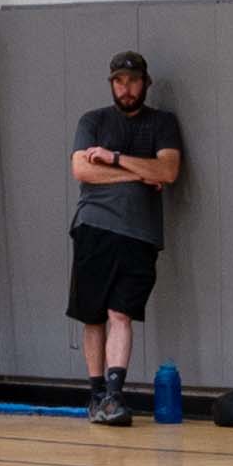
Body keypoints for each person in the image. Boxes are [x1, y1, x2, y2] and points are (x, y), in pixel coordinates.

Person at [67, 53, 181, 424]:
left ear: (145, 83)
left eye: (132, 81)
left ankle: (115, 396)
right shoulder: (94, 120)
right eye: (119, 81)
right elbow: (82, 170)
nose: (126, 88)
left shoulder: (162, 123)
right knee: (93, 314)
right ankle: (96, 392)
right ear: (111, 84)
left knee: (122, 312)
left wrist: (115, 159)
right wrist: (139, 174)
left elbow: (168, 169)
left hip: (140, 233)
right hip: (95, 226)